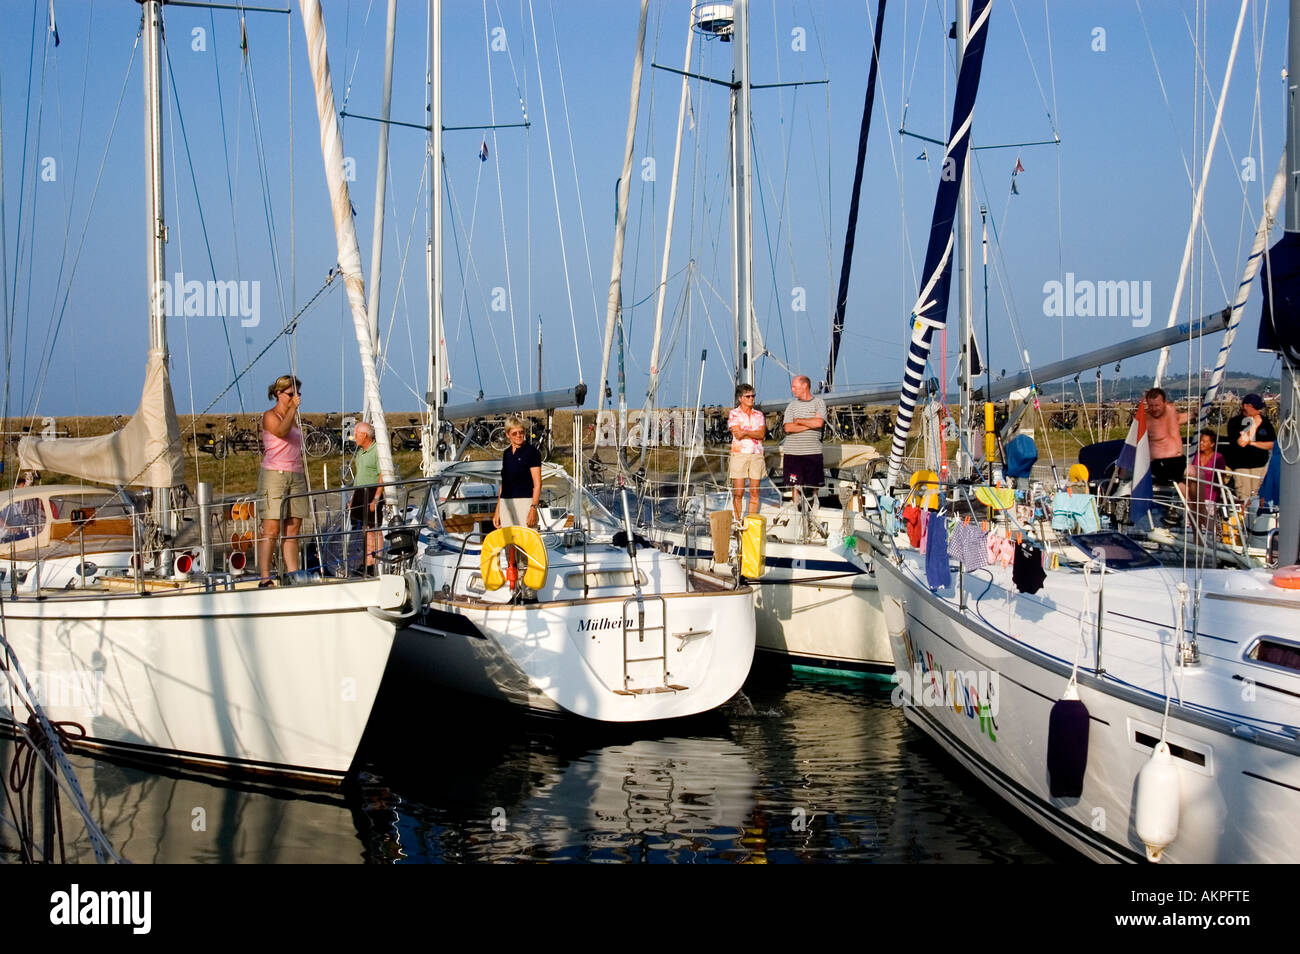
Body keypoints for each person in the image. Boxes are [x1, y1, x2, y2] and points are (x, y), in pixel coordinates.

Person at [257, 374, 308, 585]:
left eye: (297, 394)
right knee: (271, 528)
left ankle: (293, 573)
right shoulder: (270, 416)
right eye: (290, 394)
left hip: (295, 473)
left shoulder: (292, 416)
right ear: (279, 394)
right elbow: (281, 431)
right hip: (274, 474)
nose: (295, 398)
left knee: (293, 527)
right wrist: (293, 409)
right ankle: (265, 576)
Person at [781, 374, 827, 502]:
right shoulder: (791, 406)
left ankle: (813, 511)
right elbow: (788, 428)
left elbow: (819, 423)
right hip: (793, 453)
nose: (792, 390)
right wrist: (809, 424)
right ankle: (797, 509)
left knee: (813, 485)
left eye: (794, 387)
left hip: (812, 453)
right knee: (795, 486)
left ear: (805, 386)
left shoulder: (819, 403)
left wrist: (799, 421)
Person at [1225, 392, 1276, 504]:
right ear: (1246, 406)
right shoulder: (1235, 422)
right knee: (1245, 499)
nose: (1259, 411)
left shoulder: (1265, 421)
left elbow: (1272, 444)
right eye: (1256, 408)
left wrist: (1253, 443)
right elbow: (1241, 442)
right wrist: (1255, 425)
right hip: (1242, 467)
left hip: (1260, 466)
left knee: (1260, 499)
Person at [493, 416, 542, 530]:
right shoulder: (506, 454)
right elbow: (504, 484)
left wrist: (533, 508)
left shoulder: (532, 452)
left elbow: (538, 484)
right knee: (509, 544)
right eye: (514, 433)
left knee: (525, 543)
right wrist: (498, 511)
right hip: (506, 504)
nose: (519, 435)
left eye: (521, 432)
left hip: (525, 502)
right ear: (507, 435)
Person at [349, 421, 384, 576]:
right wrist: (352, 497)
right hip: (360, 492)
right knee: (364, 529)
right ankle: (366, 563)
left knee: (374, 528)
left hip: (371, 492)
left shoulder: (377, 450)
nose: (354, 437)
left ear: (364, 435)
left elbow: (382, 474)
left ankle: (375, 564)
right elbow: (359, 475)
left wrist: (376, 497)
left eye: (356, 434)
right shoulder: (359, 452)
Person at [727, 384, 766, 519]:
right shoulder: (734, 414)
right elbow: (737, 434)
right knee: (739, 492)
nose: (751, 399)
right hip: (740, 455)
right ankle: (738, 521)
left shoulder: (759, 415)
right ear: (740, 398)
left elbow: (761, 434)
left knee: (754, 491)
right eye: (748, 396)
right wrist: (751, 432)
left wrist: (745, 432)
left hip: (756, 455)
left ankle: (751, 521)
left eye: (753, 396)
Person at [1184, 428, 1225, 536]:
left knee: (1205, 527)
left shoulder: (1218, 457)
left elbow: (1221, 478)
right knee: (1191, 525)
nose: (1201, 443)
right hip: (1193, 495)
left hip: (1209, 497)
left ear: (1212, 444)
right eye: (1201, 440)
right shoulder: (1195, 456)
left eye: (1205, 441)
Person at [1144, 387, 1187, 484]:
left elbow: (1179, 418)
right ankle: (1190, 499)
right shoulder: (1146, 420)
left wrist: (1195, 414)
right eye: (1151, 406)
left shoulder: (1170, 411)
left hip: (1178, 461)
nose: (1154, 409)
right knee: (1182, 480)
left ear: (1164, 403)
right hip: (1161, 464)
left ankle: (1202, 499)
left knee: (1200, 474)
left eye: (1157, 405)